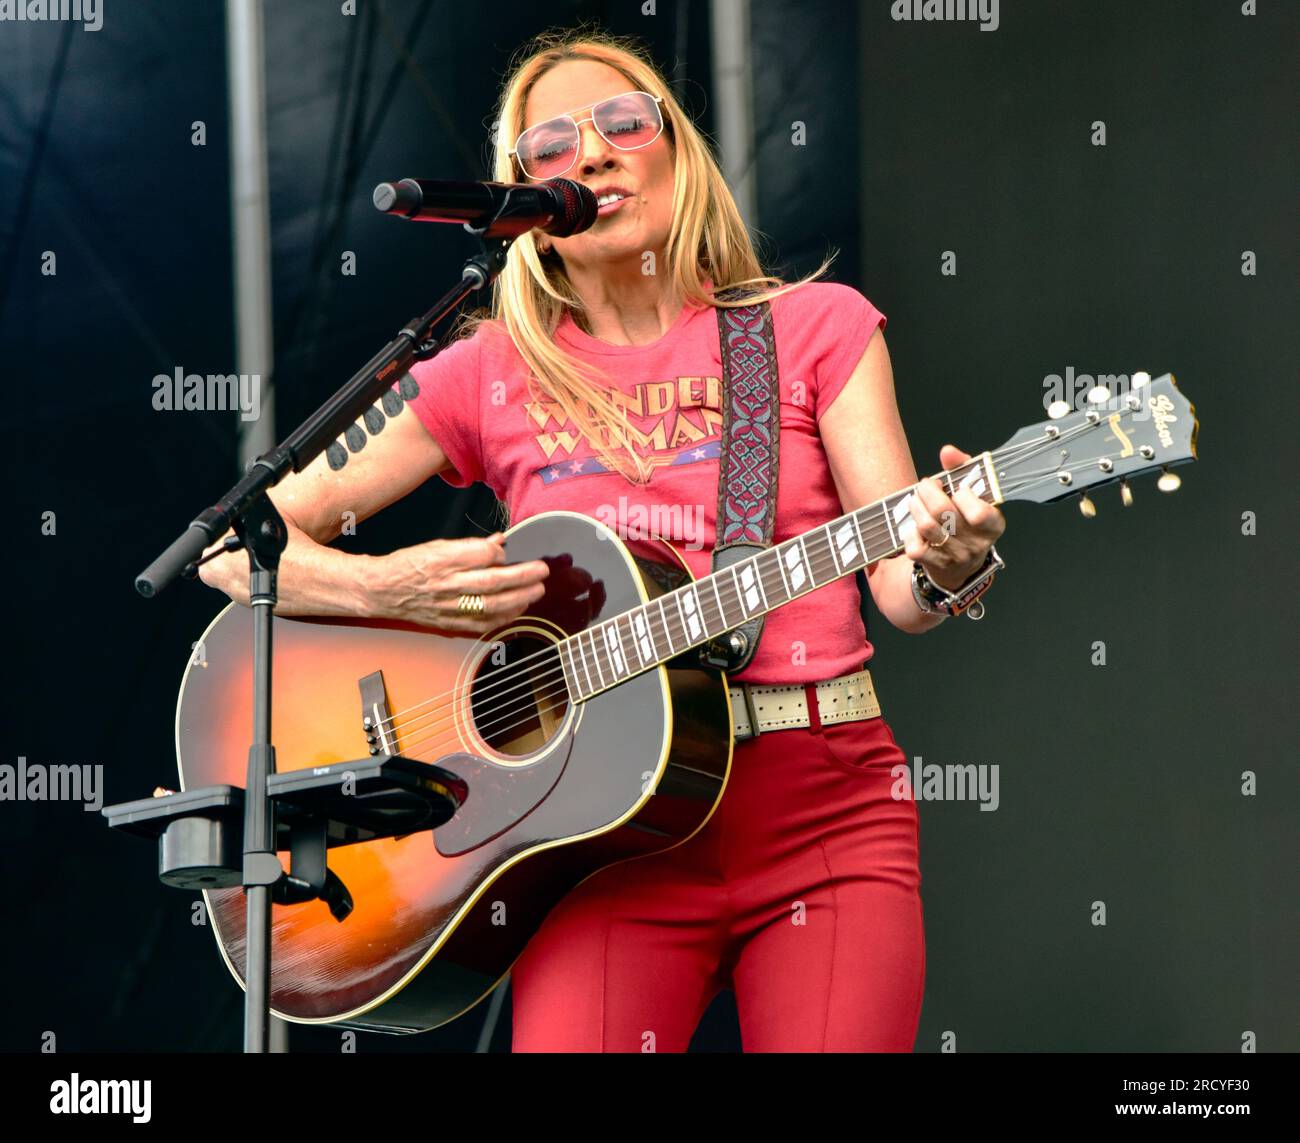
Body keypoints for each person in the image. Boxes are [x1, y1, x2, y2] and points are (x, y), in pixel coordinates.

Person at [199, 28, 1006, 1052]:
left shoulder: (816, 328)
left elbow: (900, 585)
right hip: (596, 846)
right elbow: (237, 545)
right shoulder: (478, 370)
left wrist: (951, 556)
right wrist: (385, 590)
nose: (589, 154)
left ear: (679, 151)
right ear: (521, 204)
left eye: (624, 122)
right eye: (547, 148)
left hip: (821, 815)